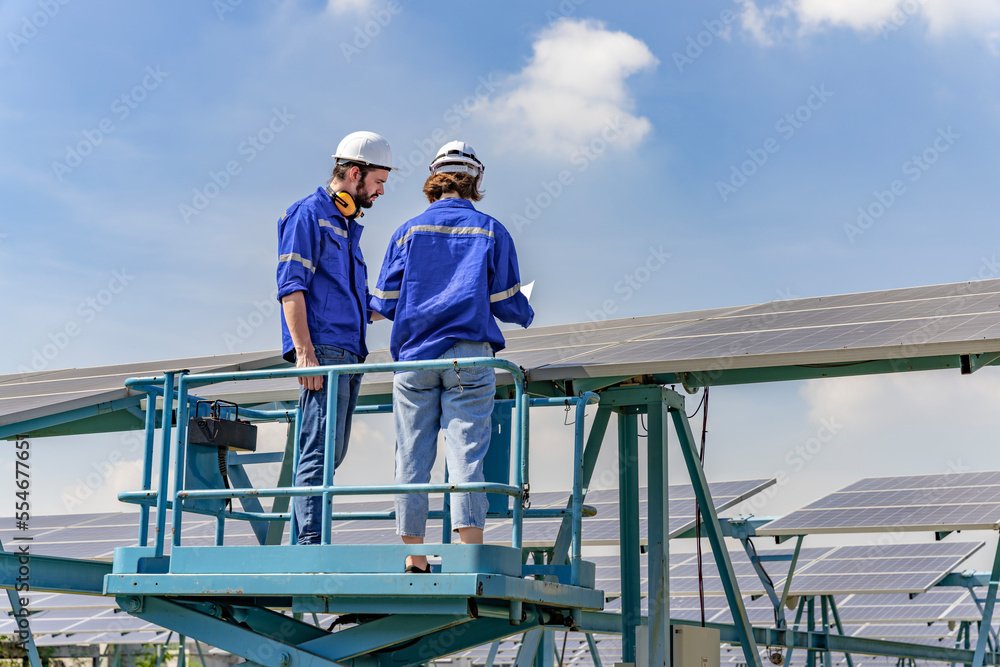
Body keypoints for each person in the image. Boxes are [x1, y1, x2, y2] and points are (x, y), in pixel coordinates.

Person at [370, 141, 534, 572]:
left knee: (410, 454)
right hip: (468, 358)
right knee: (466, 454)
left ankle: (414, 557)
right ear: (476, 180)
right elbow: (507, 302)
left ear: (433, 179)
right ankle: (467, 555)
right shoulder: (491, 230)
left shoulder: (406, 231)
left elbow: (385, 300)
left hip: (413, 358)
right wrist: (526, 308)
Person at [276, 131, 392, 544]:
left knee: (333, 452)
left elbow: (361, 303)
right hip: (324, 352)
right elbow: (291, 287)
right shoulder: (307, 215)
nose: (381, 192)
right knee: (319, 451)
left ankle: (310, 538)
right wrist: (305, 354)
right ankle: (309, 545)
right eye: (378, 182)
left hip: (349, 353)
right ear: (355, 173)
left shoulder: (345, 225)